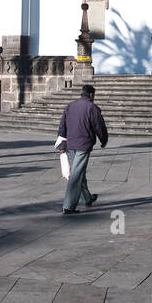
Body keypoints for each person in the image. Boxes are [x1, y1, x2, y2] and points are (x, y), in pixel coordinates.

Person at [57, 84, 107, 215]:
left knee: (79, 171)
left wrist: (62, 140)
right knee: (76, 174)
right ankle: (68, 206)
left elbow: (62, 124)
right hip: (83, 144)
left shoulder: (70, 106)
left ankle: (88, 198)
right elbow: (99, 126)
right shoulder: (92, 107)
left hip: (71, 143)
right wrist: (103, 140)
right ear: (91, 95)